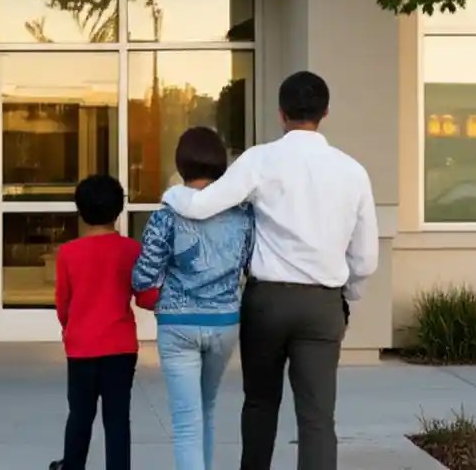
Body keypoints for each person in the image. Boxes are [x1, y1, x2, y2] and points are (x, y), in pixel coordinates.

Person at [161, 71, 379, 470]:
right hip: (322, 304)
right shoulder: (353, 172)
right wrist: (345, 296)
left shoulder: (260, 159)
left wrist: (171, 194)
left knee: (260, 404)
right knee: (316, 418)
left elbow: (202, 205)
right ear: (325, 111)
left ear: (281, 114)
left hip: (267, 303)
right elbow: (365, 259)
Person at [132, 127, 255, 470]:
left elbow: (142, 276)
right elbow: (249, 265)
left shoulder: (164, 217)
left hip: (178, 324)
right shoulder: (243, 215)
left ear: (181, 164)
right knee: (207, 408)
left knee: (187, 422)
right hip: (225, 323)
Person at [50, 174, 158, 470]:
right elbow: (146, 297)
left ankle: (72, 464)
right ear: (119, 209)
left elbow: (63, 303)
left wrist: (69, 329)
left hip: (82, 348)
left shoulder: (68, 253)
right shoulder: (131, 250)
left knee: (80, 415)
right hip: (120, 348)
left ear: (80, 211)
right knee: (118, 418)